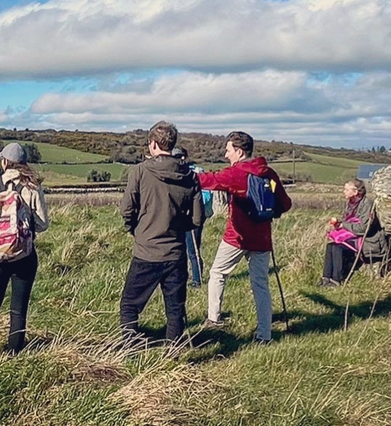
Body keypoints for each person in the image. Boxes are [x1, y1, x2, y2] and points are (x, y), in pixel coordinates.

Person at [197, 131, 292, 344]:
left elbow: (208, 180)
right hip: (262, 238)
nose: (226, 154)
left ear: (239, 152)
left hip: (237, 236)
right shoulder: (268, 173)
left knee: (217, 273)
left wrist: (182, 174)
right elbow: (286, 204)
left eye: (228, 150)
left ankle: (213, 319)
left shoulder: (237, 173)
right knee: (260, 285)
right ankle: (265, 335)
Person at [119, 122, 204, 344]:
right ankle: (173, 351)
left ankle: (130, 348)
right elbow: (197, 218)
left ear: (154, 144)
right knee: (175, 308)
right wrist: (178, 227)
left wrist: (136, 230)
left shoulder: (140, 171)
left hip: (146, 251)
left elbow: (126, 209)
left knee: (129, 305)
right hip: (176, 252)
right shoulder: (190, 176)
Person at [0, 142, 50, 354]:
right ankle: (14, 354)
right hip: (24, 256)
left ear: (5, 162)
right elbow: (43, 224)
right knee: (18, 309)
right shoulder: (33, 186)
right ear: (24, 163)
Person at [319, 179, 384, 287]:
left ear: (355, 191)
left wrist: (343, 225)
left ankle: (336, 280)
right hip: (353, 237)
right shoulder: (351, 204)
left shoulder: (367, 205)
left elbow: (363, 228)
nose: (344, 191)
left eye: (346, 189)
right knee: (330, 246)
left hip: (365, 240)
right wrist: (339, 224)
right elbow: (349, 222)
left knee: (337, 248)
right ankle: (326, 278)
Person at [171, 147, 213, 288]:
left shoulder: (196, 172)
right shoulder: (176, 172)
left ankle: (197, 279)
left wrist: (195, 207)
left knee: (193, 248)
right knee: (181, 248)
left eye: (182, 156)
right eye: (177, 157)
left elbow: (206, 195)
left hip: (194, 215)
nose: (181, 159)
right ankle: (184, 277)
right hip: (180, 215)